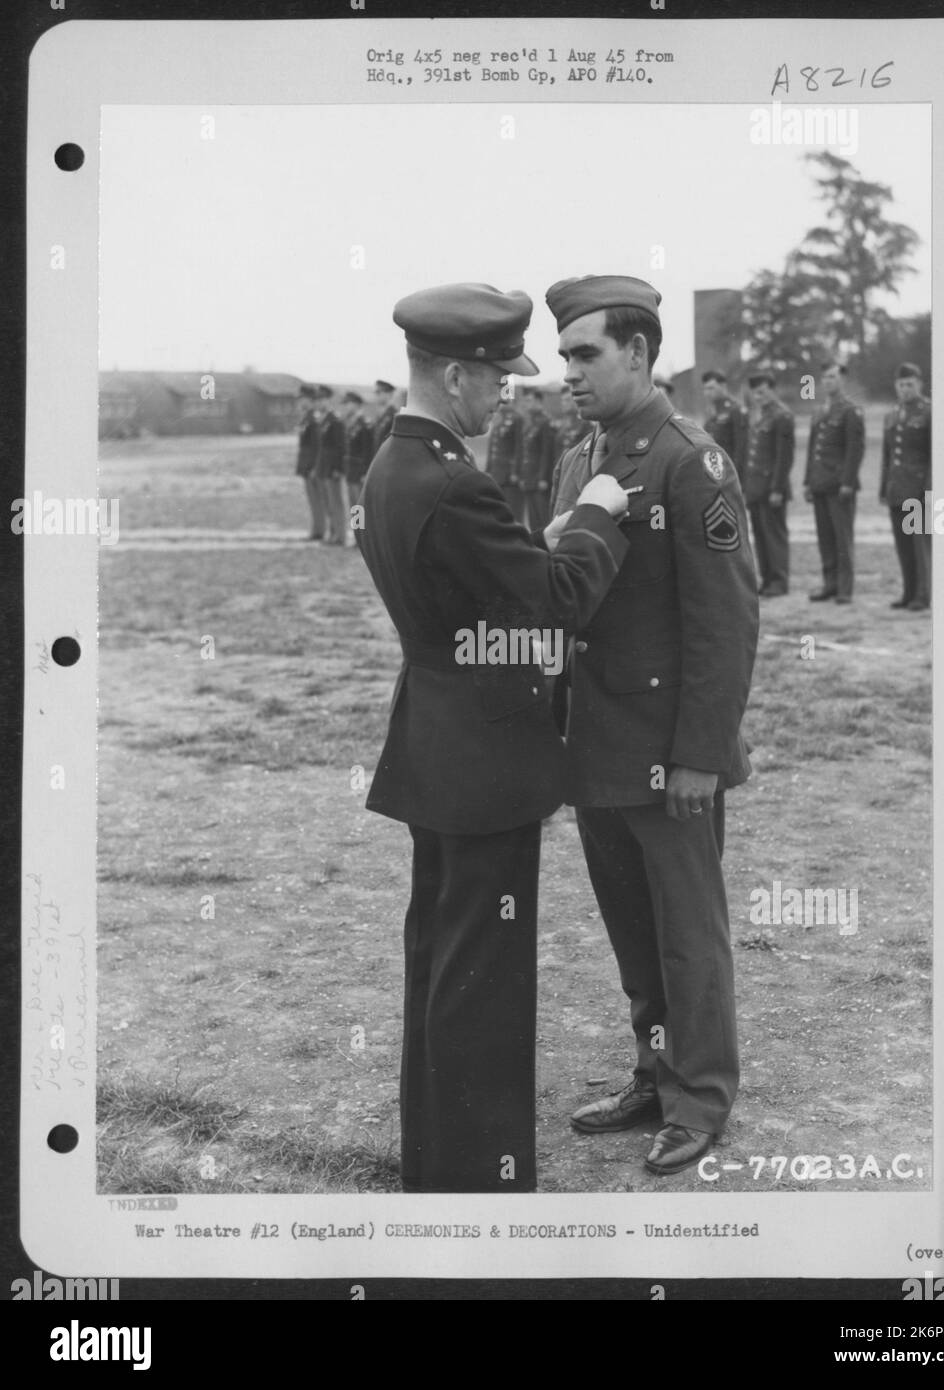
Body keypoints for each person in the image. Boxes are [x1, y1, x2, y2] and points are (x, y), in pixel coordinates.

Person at [355, 282, 631, 1193]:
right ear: (452, 371)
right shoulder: (450, 480)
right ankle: (482, 1184)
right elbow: (552, 604)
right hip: (484, 762)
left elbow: (473, 585)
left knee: (441, 961)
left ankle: (437, 1163)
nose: (506, 391)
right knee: (484, 978)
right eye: (495, 378)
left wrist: (536, 541)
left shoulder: (395, 466)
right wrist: (593, 513)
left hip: (436, 746)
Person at [546, 274, 759, 1176]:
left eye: (585, 354)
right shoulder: (576, 457)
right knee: (634, 929)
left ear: (637, 353)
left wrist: (701, 756)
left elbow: (726, 621)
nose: (568, 372)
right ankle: (653, 1071)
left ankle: (700, 1098)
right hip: (597, 744)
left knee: (686, 931)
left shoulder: (689, 460)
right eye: (563, 357)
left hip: (669, 755)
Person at [804, 363, 865, 603]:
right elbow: (812, 450)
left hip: (839, 485)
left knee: (842, 538)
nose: (828, 381)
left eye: (832, 377)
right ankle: (829, 584)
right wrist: (808, 482)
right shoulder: (820, 411)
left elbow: (855, 449)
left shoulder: (850, 411)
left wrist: (848, 482)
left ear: (842, 380)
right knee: (825, 537)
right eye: (824, 377)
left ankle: (844, 589)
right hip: (820, 483)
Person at [880, 362, 931, 611]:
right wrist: (883, 488)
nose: (906, 389)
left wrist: (928, 490)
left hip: (919, 491)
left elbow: (935, 455)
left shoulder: (929, 411)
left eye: (910, 384)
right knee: (903, 546)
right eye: (901, 385)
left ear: (919, 384)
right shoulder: (892, 413)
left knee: (920, 546)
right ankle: (909, 592)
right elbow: (887, 456)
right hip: (897, 489)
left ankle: (923, 595)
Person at [745, 371, 794, 597]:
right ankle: (767, 579)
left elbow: (784, 458)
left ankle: (779, 581)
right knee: (761, 536)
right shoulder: (759, 416)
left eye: (763, 392)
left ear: (773, 390)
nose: (759, 397)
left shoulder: (782, 416)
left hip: (772, 487)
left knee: (774, 536)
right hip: (756, 487)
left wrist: (777, 488)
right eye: (755, 393)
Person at [701, 370, 749, 493]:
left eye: (711, 388)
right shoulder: (711, 412)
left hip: (730, 474)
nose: (707, 393)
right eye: (705, 389)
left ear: (723, 387)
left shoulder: (736, 410)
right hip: (714, 473)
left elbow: (741, 447)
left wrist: (736, 477)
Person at [314, 385, 348, 545]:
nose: (319, 403)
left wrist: (338, 468)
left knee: (336, 502)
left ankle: (340, 535)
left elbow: (340, 447)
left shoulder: (335, 420)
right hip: (324, 467)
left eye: (321, 400)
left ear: (328, 400)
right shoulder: (323, 420)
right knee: (328, 502)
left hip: (333, 468)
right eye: (317, 400)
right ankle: (333, 533)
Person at [519, 386, 557, 529]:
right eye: (525, 401)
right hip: (529, 478)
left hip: (540, 480)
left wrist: (542, 478)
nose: (526, 404)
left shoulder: (546, 422)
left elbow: (547, 452)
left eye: (529, 400)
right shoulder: (530, 422)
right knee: (533, 519)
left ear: (539, 401)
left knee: (543, 520)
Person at [486, 396, 526, 518]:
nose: (502, 404)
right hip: (497, 473)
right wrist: (489, 469)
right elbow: (493, 447)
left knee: (513, 510)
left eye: (505, 401)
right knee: (499, 509)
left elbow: (519, 446)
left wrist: (515, 471)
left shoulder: (517, 419)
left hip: (509, 474)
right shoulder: (498, 418)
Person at [295, 382, 325, 540]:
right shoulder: (306, 417)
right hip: (306, 465)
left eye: (303, 398)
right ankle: (316, 530)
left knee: (317, 500)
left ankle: (319, 531)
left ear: (310, 399)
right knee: (313, 501)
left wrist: (315, 467)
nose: (300, 401)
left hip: (312, 466)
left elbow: (318, 446)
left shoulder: (313, 419)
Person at [341, 391, 373, 537]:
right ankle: (356, 534)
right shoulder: (350, 423)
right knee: (353, 505)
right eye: (345, 404)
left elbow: (368, 451)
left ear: (357, 405)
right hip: (350, 469)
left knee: (360, 506)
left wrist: (366, 471)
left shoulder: (364, 424)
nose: (346, 407)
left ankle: (362, 536)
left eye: (348, 404)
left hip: (359, 469)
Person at [554, 383, 593, 453]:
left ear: (576, 401)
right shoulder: (563, 425)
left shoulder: (585, 424)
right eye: (562, 400)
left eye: (567, 400)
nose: (563, 403)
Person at [371, 379, 398, 456]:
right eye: (375, 392)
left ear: (389, 394)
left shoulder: (394, 416)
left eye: (378, 392)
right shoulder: (380, 415)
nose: (375, 395)